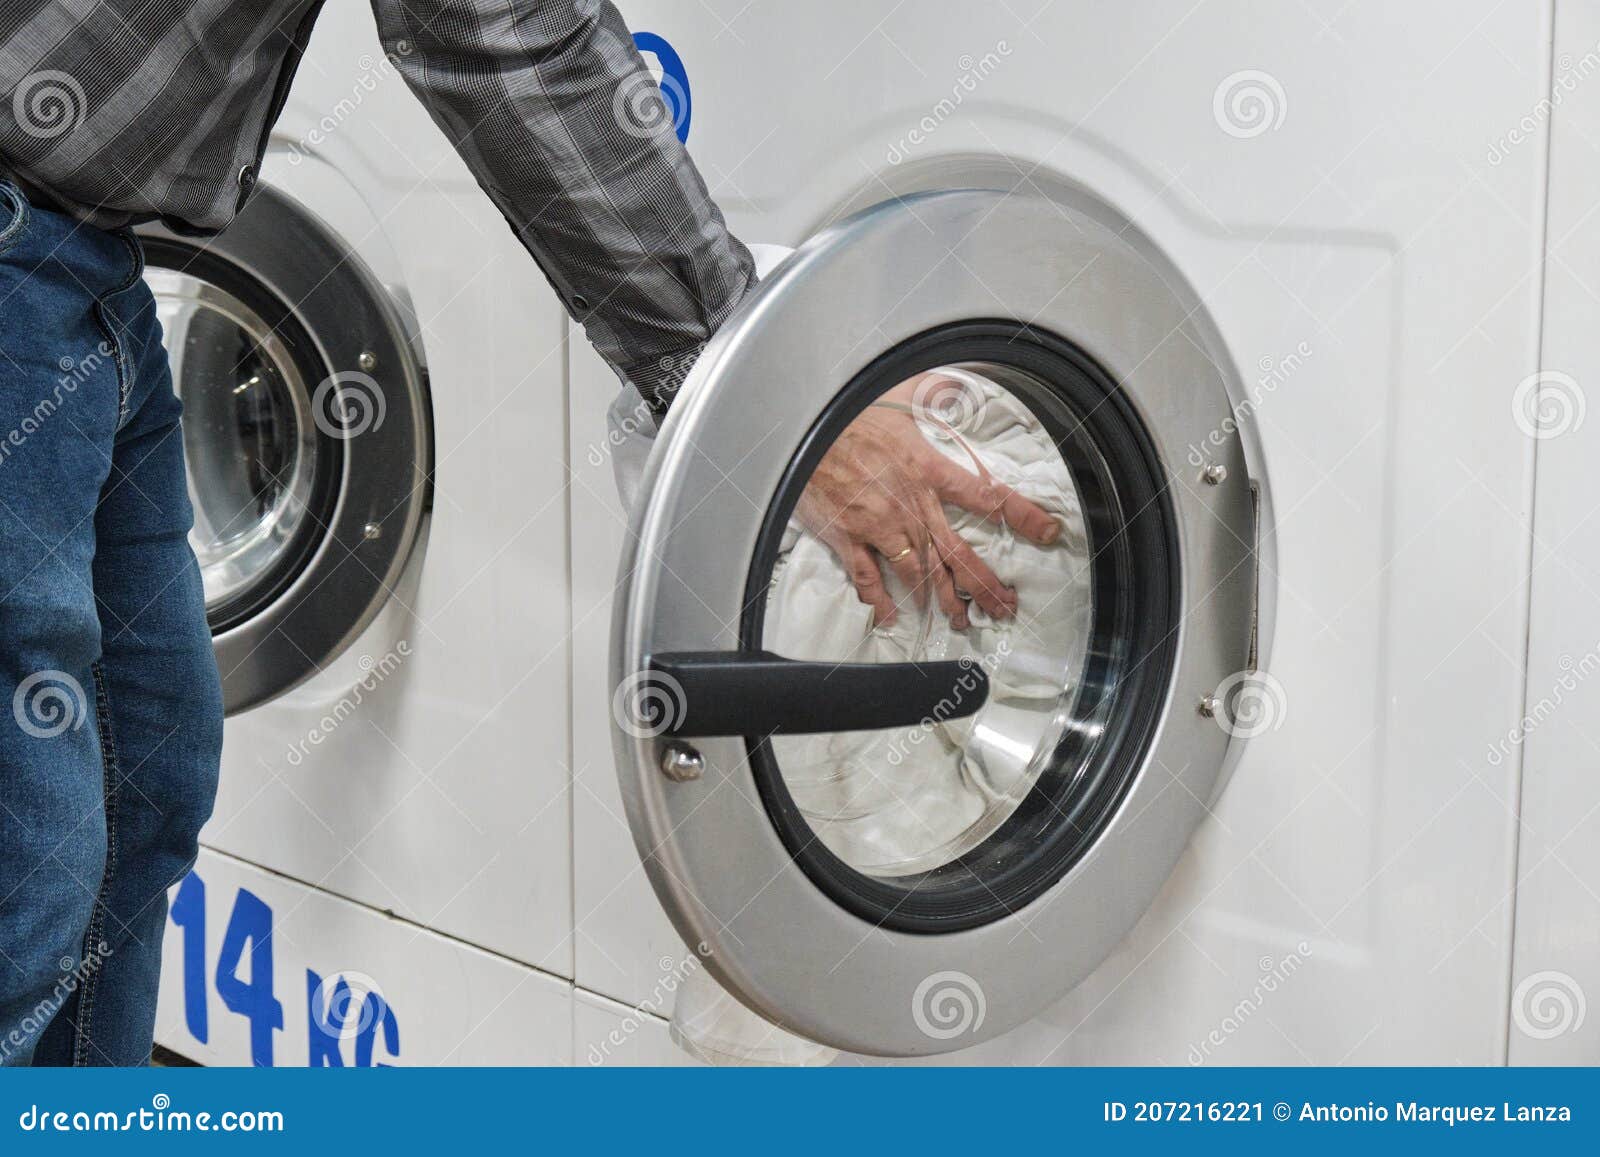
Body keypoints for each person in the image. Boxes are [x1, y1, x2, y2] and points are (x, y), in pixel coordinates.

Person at [0, 1, 1052, 1066]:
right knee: (30, 865)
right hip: (23, 260)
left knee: (140, 792)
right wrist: (774, 402)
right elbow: (490, 22)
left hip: (82, 266)